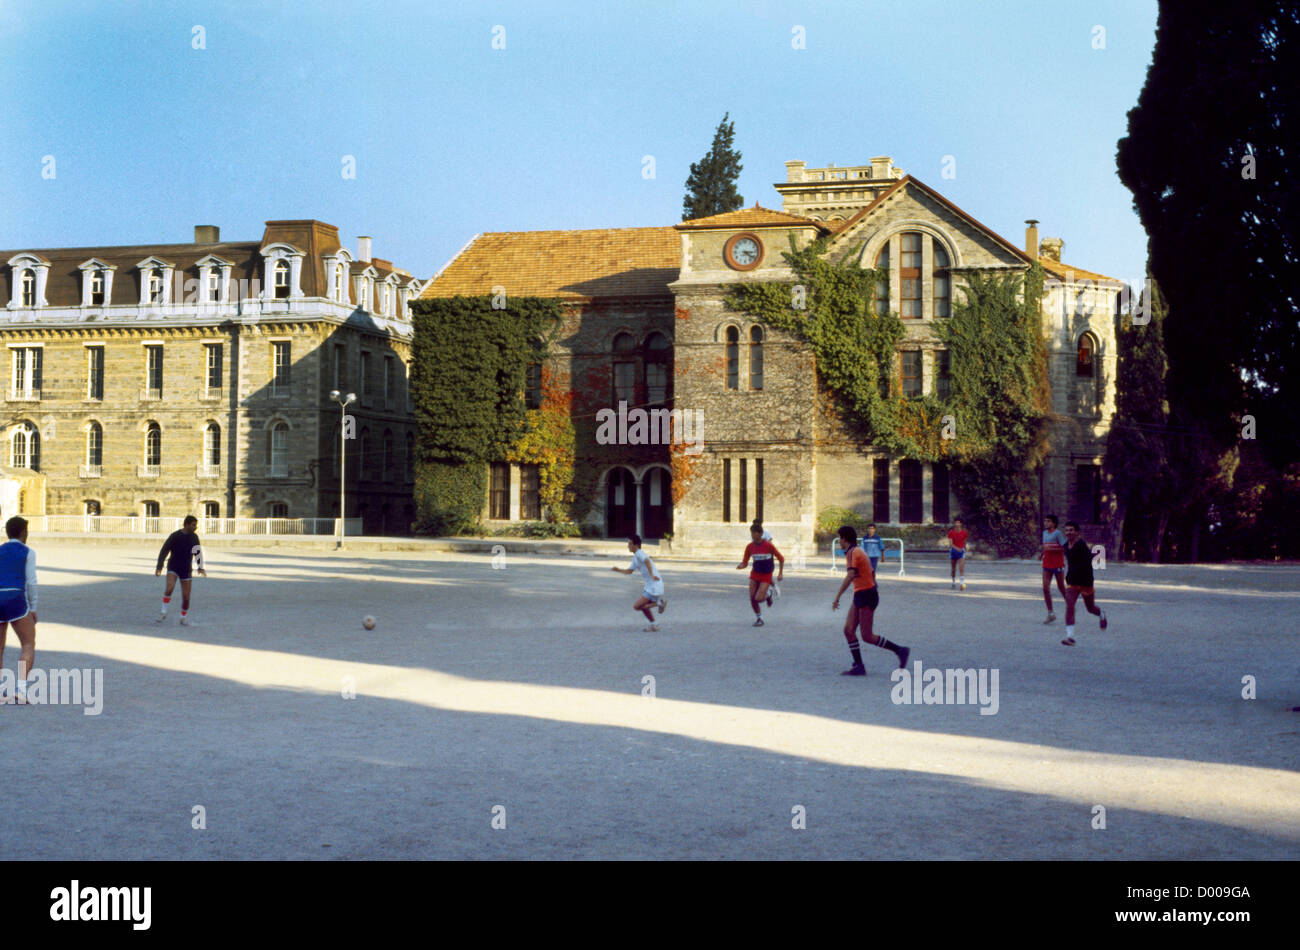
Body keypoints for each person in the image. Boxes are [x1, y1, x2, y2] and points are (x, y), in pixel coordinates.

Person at [831, 525, 909, 676]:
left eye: (840, 538)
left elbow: (851, 575)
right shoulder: (856, 551)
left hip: (866, 595)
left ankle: (900, 650)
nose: (839, 541)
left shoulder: (854, 552)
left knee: (867, 636)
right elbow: (871, 573)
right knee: (848, 630)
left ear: (845, 538)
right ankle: (859, 666)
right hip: (861, 593)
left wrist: (837, 597)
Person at [0, 517, 38, 705]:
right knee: (28, 644)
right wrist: (33, 607)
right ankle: (20, 690)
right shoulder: (28, 552)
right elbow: (31, 582)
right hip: (16, 599)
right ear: (23, 532)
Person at [1060, 520, 1107, 646]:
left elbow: (1089, 560)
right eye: (1067, 530)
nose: (1068, 532)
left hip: (1085, 581)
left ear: (1077, 532)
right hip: (1072, 582)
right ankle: (1070, 637)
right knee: (1070, 606)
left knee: (1090, 609)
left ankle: (1101, 614)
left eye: (1071, 530)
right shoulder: (1065, 546)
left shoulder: (1081, 545)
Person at [156, 515, 206, 625]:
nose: (195, 527)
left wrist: (200, 567)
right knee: (169, 588)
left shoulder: (194, 537)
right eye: (193, 525)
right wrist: (159, 566)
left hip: (186, 568)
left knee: (186, 596)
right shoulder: (175, 536)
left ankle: (183, 617)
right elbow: (164, 550)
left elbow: (197, 551)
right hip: (173, 566)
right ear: (186, 524)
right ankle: (163, 612)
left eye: (196, 525)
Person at [611, 534, 664, 632]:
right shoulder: (636, 557)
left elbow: (647, 561)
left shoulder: (639, 553)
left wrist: (652, 575)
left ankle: (659, 603)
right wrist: (617, 570)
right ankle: (654, 625)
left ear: (637, 545)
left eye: (630, 544)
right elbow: (629, 571)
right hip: (652, 586)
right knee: (643, 607)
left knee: (637, 606)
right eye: (628, 543)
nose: (628, 546)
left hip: (654, 586)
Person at [737, 524, 784, 626]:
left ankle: (769, 594)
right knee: (752, 598)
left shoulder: (768, 546)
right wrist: (741, 565)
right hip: (755, 574)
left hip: (766, 574)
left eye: (755, 533)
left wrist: (780, 574)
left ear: (761, 534)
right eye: (752, 533)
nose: (753, 535)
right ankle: (759, 619)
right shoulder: (749, 547)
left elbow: (781, 558)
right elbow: (745, 562)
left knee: (758, 598)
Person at [1040, 514, 1068, 623]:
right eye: (1045, 521)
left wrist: (1051, 549)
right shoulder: (1044, 533)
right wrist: (1042, 553)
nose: (1046, 523)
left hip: (1057, 564)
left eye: (1048, 521)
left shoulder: (1058, 534)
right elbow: (1046, 546)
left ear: (1054, 523)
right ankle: (1050, 613)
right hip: (1046, 564)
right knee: (1045, 588)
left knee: (1061, 587)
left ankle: (1070, 606)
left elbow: (1064, 547)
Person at [751, 520, 780, 600]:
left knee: (767, 575)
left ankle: (773, 587)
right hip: (758, 558)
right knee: (759, 576)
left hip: (767, 557)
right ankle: (765, 590)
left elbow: (770, 543)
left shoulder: (766, 533)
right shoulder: (753, 534)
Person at [947, 518, 968, 590]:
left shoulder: (964, 532)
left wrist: (965, 548)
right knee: (953, 569)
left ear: (961, 524)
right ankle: (953, 582)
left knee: (961, 568)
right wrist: (957, 548)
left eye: (958, 523)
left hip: (961, 552)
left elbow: (964, 541)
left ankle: (962, 583)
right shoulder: (951, 532)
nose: (957, 524)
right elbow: (950, 544)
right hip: (953, 552)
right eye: (956, 523)